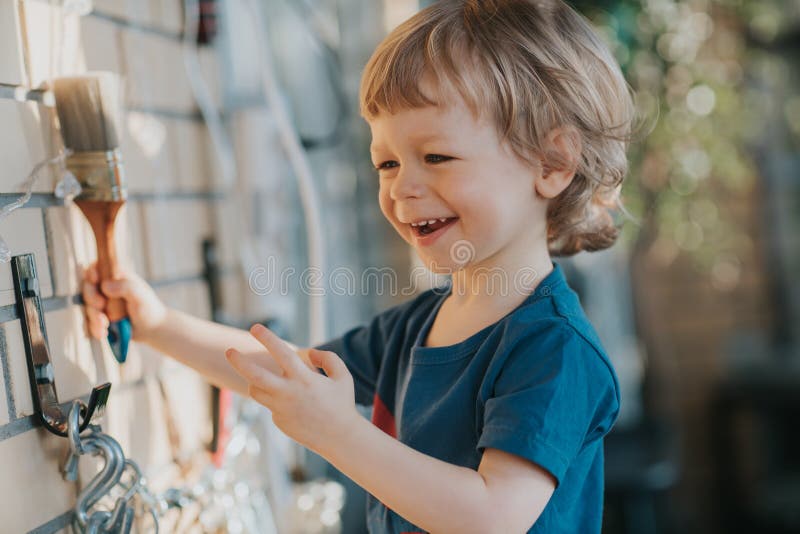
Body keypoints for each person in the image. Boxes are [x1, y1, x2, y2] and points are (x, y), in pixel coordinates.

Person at [83, 0, 636, 531]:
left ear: (552, 162)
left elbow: (491, 518)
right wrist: (157, 324)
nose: (403, 187)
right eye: (386, 163)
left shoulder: (555, 351)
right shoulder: (416, 326)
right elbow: (287, 374)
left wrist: (339, 434)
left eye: (436, 157)